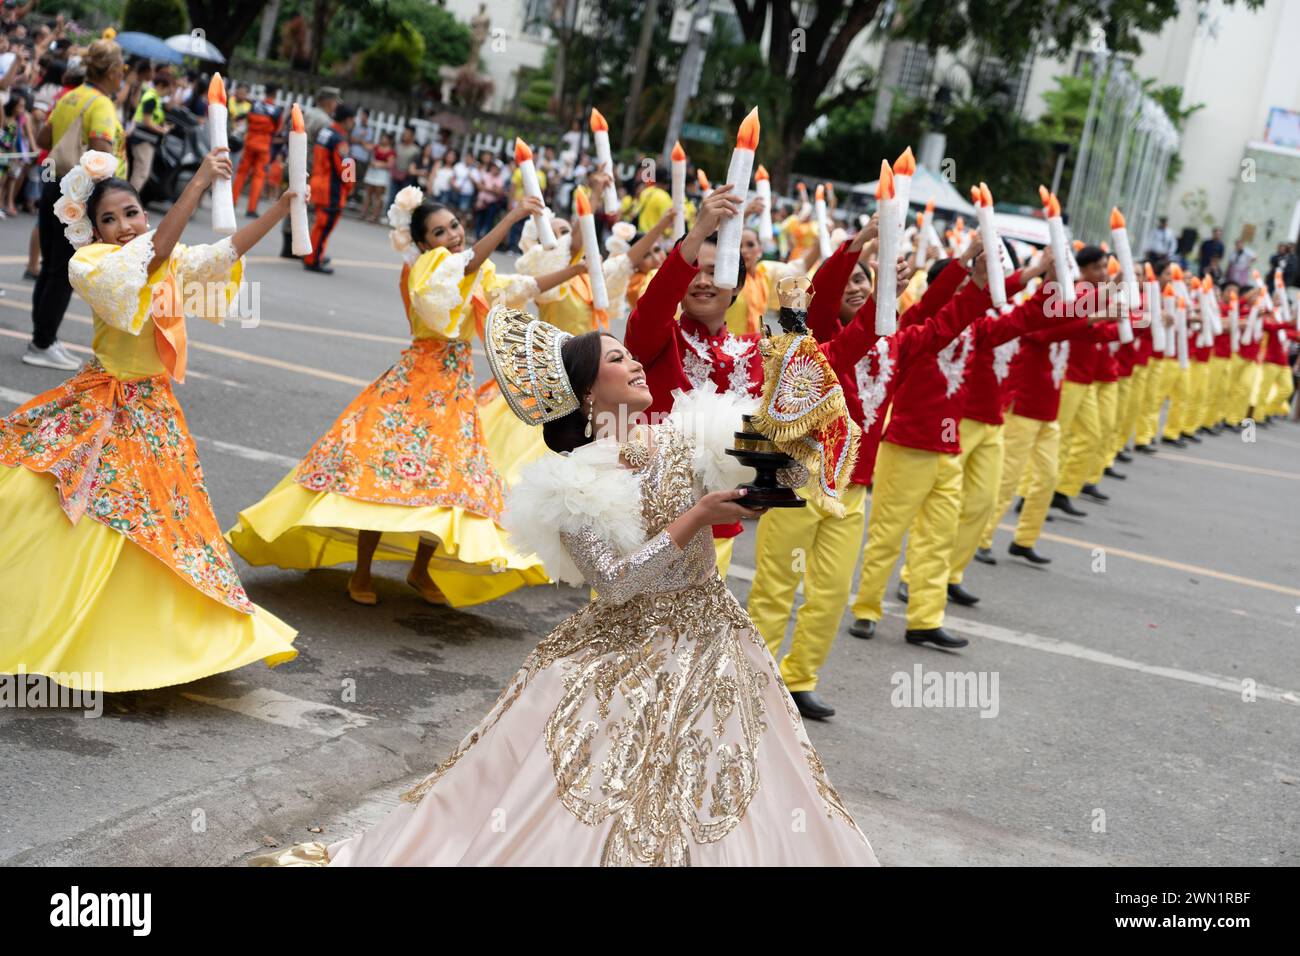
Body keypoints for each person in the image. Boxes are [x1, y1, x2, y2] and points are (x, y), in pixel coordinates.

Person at [250, 309, 878, 867]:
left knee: (743, 785)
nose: (634, 362)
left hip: (716, 641)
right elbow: (618, 585)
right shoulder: (570, 484)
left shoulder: (692, 436)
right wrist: (696, 519)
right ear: (586, 394)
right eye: (616, 359)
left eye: (629, 355)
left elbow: (787, 473)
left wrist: (793, 387)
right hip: (624, 650)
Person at [0, 145, 299, 691]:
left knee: (162, 520)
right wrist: (199, 183)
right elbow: (153, 257)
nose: (122, 226)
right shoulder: (92, 266)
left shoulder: (158, 257)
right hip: (102, 405)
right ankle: (74, 631)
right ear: (90, 230)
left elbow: (219, 254)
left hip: (153, 407)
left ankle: (156, 639)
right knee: (87, 519)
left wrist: (279, 211)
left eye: (131, 213)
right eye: (108, 219)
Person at [228, 188, 578, 605]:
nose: (451, 235)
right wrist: (511, 216)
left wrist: (577, 271)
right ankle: (361, 572)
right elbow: (470, 263)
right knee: (380, 475)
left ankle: (419, 569)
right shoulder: (430, 269)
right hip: (414, 384)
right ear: (423, 244)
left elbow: (525, 285)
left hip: (454, 390)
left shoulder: (471, 270)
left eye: (453, 226)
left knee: (447, 484)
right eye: (439, 232)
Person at [26, 38, 125, 371]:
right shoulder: (102, 105)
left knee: (50, 265)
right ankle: (42, 342)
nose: (122, 75)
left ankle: (43, 338)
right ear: (112, 71)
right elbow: (101, 152)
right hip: (77, 192)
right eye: (121, 69)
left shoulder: (70, 95)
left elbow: (42, 139)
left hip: (53, 181)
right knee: (63, 270)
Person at [302, 101, 355, 275]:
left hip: (319, 182)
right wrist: (350, 186)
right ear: (347, 120)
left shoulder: (325, 132)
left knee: (319, 224)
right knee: (324, 225)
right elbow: (346, 167)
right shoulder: (339, 139)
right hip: (331, 189)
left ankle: (315, 253)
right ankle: (313, 259)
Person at [231, 83, 284, 217]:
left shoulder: (254, 105)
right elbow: (278, 129)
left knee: (241, 173)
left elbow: (247, 120)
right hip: (264, 146)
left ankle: (232, 202)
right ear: (275, 94)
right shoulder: (277, 110)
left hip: (250, 143)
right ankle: (251, 209)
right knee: (259, 176)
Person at [127, 70, 170, 193]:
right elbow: (147, 121)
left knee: (140, 172)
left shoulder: (153, 97)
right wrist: (162, 130)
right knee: (141, 173)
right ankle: (130, 199)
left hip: (145, 140)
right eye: (168, 88)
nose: (169, 92)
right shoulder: (151, 98)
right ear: (161, 85)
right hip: (143, 140)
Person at [360, 129, 392, 222]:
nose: (383, 140)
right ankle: (364, 213)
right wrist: (362, 137)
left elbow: (390, 164)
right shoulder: (377, 147)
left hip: (381, 174)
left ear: (389, 140)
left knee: (378, 196)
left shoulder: (390, 151)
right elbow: (366, 147)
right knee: (368, 193)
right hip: (373, 172)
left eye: (385, 138)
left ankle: (375, 215)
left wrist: (379, 164)